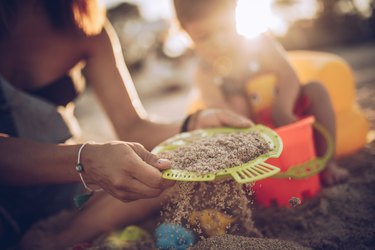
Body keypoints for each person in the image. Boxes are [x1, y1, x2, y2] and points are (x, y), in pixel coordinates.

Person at [0, 0, 254, 248]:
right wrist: (86, 159)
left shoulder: (84, 22)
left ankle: (61, 237)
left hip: (67, 189)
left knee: (176, 170)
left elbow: (132, 126)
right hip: (17, 197)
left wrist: (194, 122)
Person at [172, 0, 348, 186]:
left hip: (289, 115)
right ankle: (258, 180)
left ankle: (328, 164)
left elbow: (288, 75)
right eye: (203, 37)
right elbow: (220, 110)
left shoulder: (258, 43)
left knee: (316, 90)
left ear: (234, 12)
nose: (218, 41)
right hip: (251, 133)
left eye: (224, 29)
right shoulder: (204, 73)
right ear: (186, 33)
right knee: (235, 104)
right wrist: (248, 128)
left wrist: (282, 108)